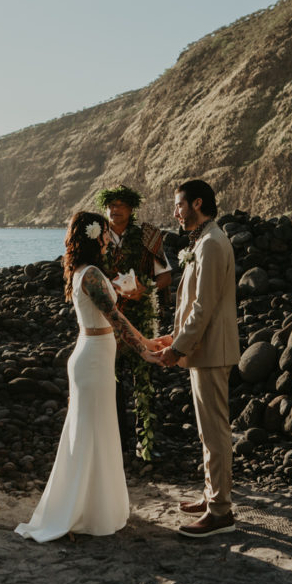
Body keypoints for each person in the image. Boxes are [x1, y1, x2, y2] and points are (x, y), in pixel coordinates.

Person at [15, 211, 161, 543]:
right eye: (106, 234)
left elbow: (112, 316)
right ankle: (82, 512)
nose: (109, 239)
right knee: (91, 433)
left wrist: (148, 340)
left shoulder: (87, 272)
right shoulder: (92, 274)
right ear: (95, 237)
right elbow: (114, 320)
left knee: (97, 431)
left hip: (94, 353)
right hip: (93, 356)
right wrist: (144, 351)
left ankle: (93, 509)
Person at [156, 180, 240, 539]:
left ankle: (220, 511)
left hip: (210, 349)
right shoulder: (204, 241)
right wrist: (175, 338)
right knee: (208, 431)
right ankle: (211, 496)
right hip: (202, 348)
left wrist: (177, 350)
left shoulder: (212, 244)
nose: (175, 212)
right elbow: (193, 303)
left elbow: (204, 307)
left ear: (197, 204)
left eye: (179, 205)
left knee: (215, 431)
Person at [96, 184, 172, 461]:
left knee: (144, 381)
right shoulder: (96, 237)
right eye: (111, 205)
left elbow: (166, 277)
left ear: (131, 209)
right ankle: (117, 444)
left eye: (121, 205)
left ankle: (146, 444)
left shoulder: (147, 237)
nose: (115, 210)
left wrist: (145, 289)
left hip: (141, 318)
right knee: (110, 381)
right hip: (106, 321)